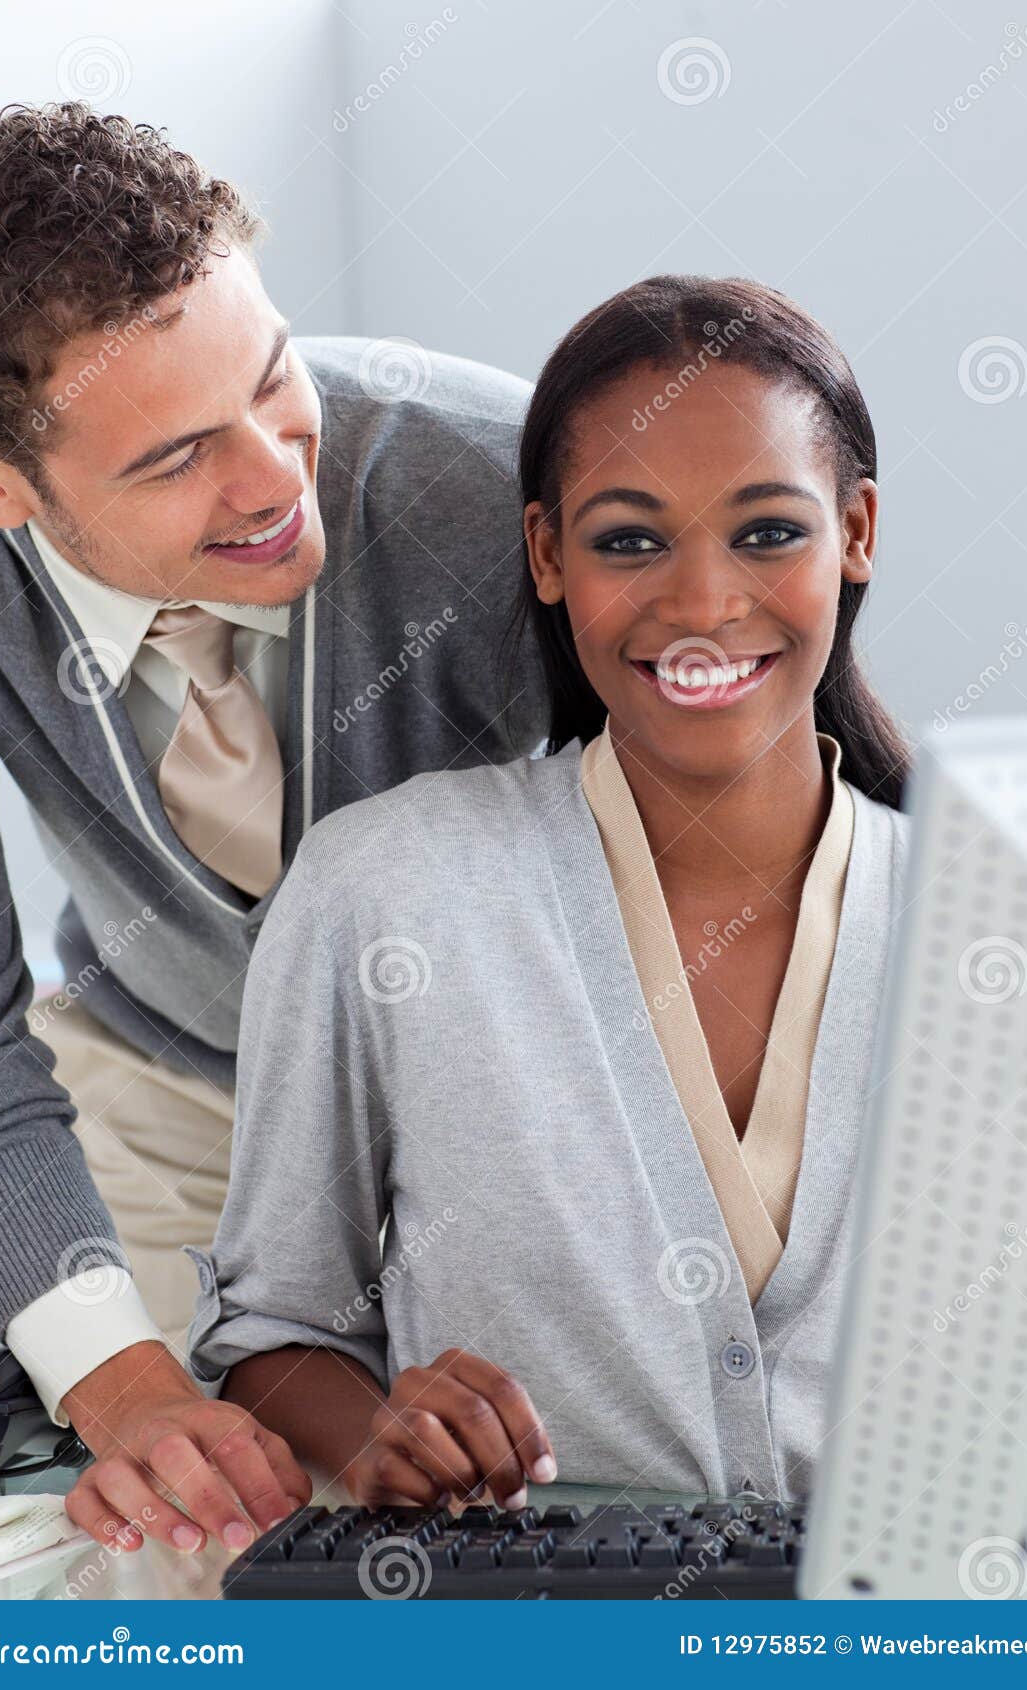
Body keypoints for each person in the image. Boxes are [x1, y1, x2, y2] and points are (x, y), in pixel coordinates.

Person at [187, 274, 911, 1510]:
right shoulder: (386, 891)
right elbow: (268, 1332)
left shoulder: (1009, 926)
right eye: (629, 538)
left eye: (768, 531)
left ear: (856, 534)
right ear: (546, 554)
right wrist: (375, 1438)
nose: (700, 603)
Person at [0, 103, 543, 1553]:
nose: (278, 479)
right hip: (160, 1077)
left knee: (518, 1524)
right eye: (173, 459)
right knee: (189, 1539)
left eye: (274, 378)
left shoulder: (499, 483)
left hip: (487, 1093)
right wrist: (131, 1391)